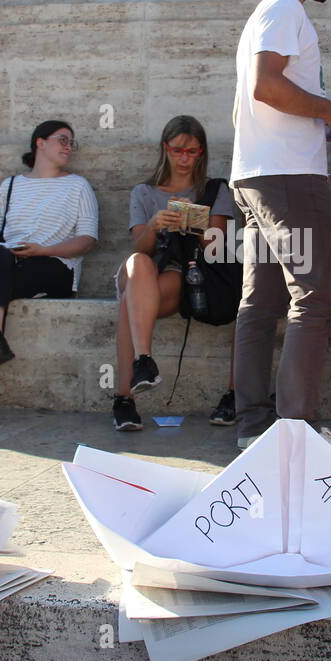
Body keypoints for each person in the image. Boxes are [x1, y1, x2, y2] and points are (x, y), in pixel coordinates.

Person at [231, 0, 331, 465]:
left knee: (260, 304)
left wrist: (317, 117)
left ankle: (253, 430)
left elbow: (259, 94)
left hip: (257, 175)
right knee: (316, 299)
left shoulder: (264, 14)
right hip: (289, 180)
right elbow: (267, 87)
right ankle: (299, 437)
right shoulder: (286, 10)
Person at [0, 120, 99, 418]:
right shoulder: (9, 186)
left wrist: (42, 250)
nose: (68, 147)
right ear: (40, 143)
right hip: (11, 262)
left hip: (55, 266)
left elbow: (87, 241)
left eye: (72, 142)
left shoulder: (78, 186)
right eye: (62, 140)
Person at [112, 116, 236, 430]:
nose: (184, 158)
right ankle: (143, 360)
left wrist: (191, 219)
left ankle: (124, 397)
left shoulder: (214, 189)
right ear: (165, 149)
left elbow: (216, 243)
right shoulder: (144, 192)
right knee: (138, 264)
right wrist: (155, 223)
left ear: (202, 153)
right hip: (146, 267)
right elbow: (140, 246)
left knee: (129, 301)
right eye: (177, 150)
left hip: (177, 274)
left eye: (192, 152)